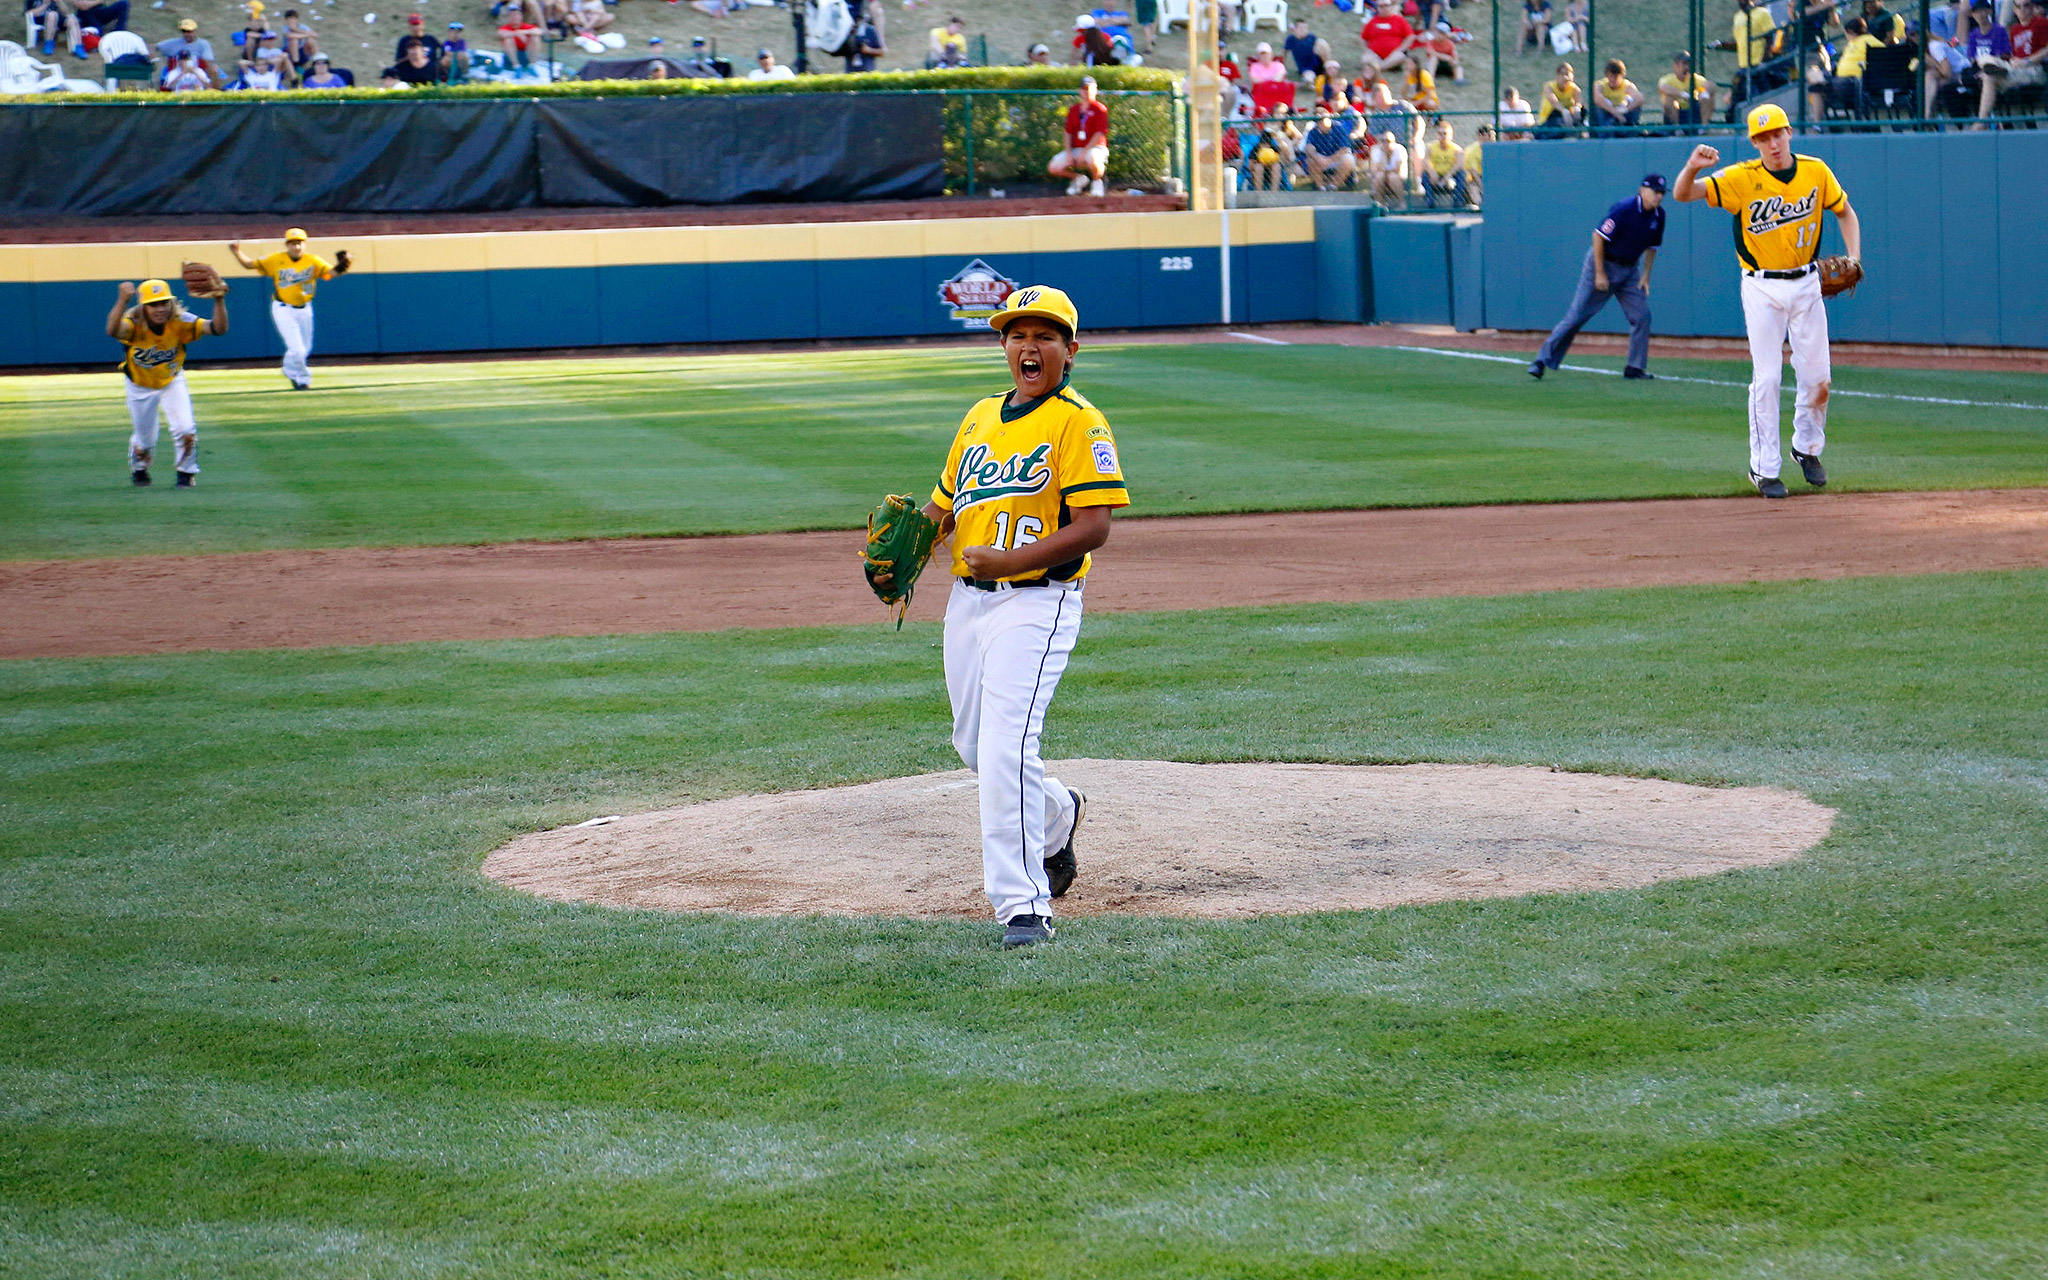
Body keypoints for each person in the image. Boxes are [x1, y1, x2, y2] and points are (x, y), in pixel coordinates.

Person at [916, 285, 1126, 950]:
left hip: (1037, 602)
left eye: (1044, 335)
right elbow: (942, 507)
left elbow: (1094, 528)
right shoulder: (980, 416)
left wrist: (1009, 562)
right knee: (977, 749)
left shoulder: (1078, 422)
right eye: (1016, 334)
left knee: (1007, 749)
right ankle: (1058, 814)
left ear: (1070, 349)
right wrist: (904, 555)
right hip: (967, 603)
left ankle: (1023, 906)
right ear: (1004, 346)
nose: (1028, 346)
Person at [1673, 104, 1862, 498]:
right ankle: (1764, 470)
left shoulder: (1815, 170)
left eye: (1776, 134)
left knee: (1818, 378)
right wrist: (1692, 166)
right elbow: (1683, 193)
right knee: (1769, 377)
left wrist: (1854, 256)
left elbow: (1846, 212)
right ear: (1754, 142)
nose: (1771, 143)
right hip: (1762, 287)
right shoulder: (1742, 177)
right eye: (1762, 138)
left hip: (1808, 283)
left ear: (1789, 132)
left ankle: (1806, 448)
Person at [1527, 173, 1665, 382]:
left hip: (1629, 272)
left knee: (1642, 316)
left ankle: (1634, 368)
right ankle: (1541, 361)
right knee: (1577, 315)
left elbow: (1652, 247)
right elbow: (1598, 237)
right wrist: (1600, 273)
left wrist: (1646, 275)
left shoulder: (1658, 215)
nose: (1659, 196)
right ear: (1643, 190)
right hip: (1603, 264)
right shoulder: (1624, 209)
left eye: (1662, 193)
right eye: (1656, 191)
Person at [109, 278, 226, 488]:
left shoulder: (180, 320)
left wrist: (219, 301)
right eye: (154, 304)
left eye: (164, 302)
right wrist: (122, 301)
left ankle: (185, 473)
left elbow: (218, 329)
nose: (160, 308)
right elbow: (113, 330)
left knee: (185, 429)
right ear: (143, 307)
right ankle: (139, 469)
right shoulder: (133, 322)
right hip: (140, 384)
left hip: (172, 380)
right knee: (145, 440)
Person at [228, 228, 347, 391]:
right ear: (287, 245)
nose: (296, 247)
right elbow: (249, 265)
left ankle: (292, 371)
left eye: (299, 243)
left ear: (304, 244)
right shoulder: (276, 259)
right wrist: (237, 253)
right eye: (292, 243)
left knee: (305, 349)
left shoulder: (313, 261)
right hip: (283, 308)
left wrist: (341, 267)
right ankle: (300, 379)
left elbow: (327, 275)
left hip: (305, 309)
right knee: (297, 350)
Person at [1049, 75, 1109, 196]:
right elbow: (1068, 133)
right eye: (1084, 89)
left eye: (1089, 88)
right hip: (1076, 149)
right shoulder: (1074, 109)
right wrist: (1069, 153)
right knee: (1053, 167)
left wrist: (1084, 152)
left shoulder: (1100, 109)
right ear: (1080, 91)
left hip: (1095, 148)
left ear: (1095, 90)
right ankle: (1078, 179)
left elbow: (1099, 133)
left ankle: (1097, 183)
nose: (1087, 92)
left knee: (1093, 159)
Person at [1961, 0, 2013, 124]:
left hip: (1997, 66)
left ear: (1989, 11)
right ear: (1972, 15)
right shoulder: (1973, 34)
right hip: (1978, 68)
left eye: (1984, 10)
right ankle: (1965, 122)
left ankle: (1983, 121)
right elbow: (1972, 58)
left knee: (1987, 73)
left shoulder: (1999, 30)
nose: (1981, 15)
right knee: (1962, 79)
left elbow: (2004, 55)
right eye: (1977, 12)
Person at [1731, 0, 1782, 103]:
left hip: (1758, 65)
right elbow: (1739, 41)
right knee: (1737, 101)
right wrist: (1722, 45)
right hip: (1743, 67)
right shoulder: (1737, 17)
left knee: (1762, 99)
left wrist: (1764, 59)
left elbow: (1770, 36)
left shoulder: (1762, 13)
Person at [1302, 105, 1357, 189]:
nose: (1321, 122)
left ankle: (1333, 186)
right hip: (1322, 159)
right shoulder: (1314, 131)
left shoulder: (1339, 127)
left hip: (1336, 159)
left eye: (1323, 119)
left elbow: (1344, 149)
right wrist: (1317, 157)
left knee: (1348, 160)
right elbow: (1309, 148)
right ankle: (1321, 188)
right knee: (1310, 161)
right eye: (1318, 121)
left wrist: (1329, 160)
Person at [156, 19, 221, 86]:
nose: (186, 34)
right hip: (179, 69)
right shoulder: (174, 43)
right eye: (184, 31)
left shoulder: (203, 43)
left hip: (196, 68)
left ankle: (216, 92)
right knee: (170, 79)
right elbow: (155, 47)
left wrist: (194, 70)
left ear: (195, 31)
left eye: (189, 32)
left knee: (214, 70)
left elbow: (208, 60)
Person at [1358, 0, 1415, 76]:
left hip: (1393, 55)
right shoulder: (1372, 21)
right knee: (1365, 58)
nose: (1383, 8)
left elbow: (1410, 37)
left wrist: (1401, 49)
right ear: (1377, 8)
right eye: (1381, 6)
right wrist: (1367, 50)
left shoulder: (1400, 20)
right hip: (1375, 56)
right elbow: (1362, 38)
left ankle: (1378, 68)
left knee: (1401, 56)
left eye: (1386, 5)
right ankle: (1383, 67)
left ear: (1391, 6)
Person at [1658, 51, 1714, 126]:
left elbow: (1708, 85)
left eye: (1689, 64)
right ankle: (1676, 128)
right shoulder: (1668, 79)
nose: (1687, 67)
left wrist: (1704, 92)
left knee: (1707, 98)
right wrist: (1683, 95)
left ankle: (1703, 128)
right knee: (1669, 98)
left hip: (1693, 110)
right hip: (1676, 112)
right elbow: (1663, 87)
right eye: (1684, 64)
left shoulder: (1694, 79)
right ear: (1676, 65)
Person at [1420, 118, 1462, 206]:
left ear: (1451, 136)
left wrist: (1447, 176)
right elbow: (1425, 160)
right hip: (1436, 173)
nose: (1442, 136)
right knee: (1424, 175)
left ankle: (1458, 202)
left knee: (1462, 175)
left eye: (1445, 134)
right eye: (1440, 134)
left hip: (1450, 173)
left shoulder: (1456, 149)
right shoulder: (1430, 147)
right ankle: (1430, 202)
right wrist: (1432, 172)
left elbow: (1459, 165)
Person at [1536, 61, 1585, 134]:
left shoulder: (1574, 89)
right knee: (1558, 122)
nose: (1565, 77)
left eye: (1567, 74)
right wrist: (1564, 111)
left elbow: (1578, 102)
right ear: (1557, 75)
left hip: (1566, 120)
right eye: (1562, 74)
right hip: (1547, 121)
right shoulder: (1549, 87)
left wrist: (1577, 108)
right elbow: (1554, 101)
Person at [1592, 58, 1643, 127]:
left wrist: (1626, 109)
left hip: (1621, 111)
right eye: (1610, 76)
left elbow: (1640, 98)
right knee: (1598, 108)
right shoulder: (1601, 85)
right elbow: (1597, 98)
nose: (1612, 79)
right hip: (1607, 114)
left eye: (1615, 77)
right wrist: (1615, 113)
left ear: (1622, 76)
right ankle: (1605, 133)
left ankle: (1630, 131)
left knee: (1635, 107)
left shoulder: (1626, 85)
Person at [1248, 40, 1293, 114]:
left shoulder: (1279, 65)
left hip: (1278, 92)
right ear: (1258, 56)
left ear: (1271, 55)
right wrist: (1271, 80)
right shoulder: (1254, 67)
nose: (1265, 56)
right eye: (1262, 54)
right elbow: (1255, 80)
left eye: (1267, 54)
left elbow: (1279, 78)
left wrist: (1265, 81)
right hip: (1262, 93)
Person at [846, 2, 885, 70]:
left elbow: (881, 51)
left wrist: (868, 50)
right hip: (851, 72)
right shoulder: (848, 31)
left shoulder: (869, 30)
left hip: (868, 71)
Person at [1284, 16, 1323, 81]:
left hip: (1319, 63)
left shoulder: (1312, 37)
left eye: (1305, 28)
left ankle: (1327, 66)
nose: (1303, 30)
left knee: (1322, 42)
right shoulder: (1291, 40)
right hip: (1306, 68)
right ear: (1295, 29)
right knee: (1309, 79)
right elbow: (1284, 53)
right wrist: (1283, 67)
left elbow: (1321, 48)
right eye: (1300, 28)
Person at [1460, 122, 1491, 205]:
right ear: (1480, 136)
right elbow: (1474, 173)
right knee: (1473, 186)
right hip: (1477, 177)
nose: (1492, 138)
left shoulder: (1497, 149)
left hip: (1491, 176)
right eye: (1489, 135)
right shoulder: (1472, 150)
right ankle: (1481, 205)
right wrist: (1483, 187)